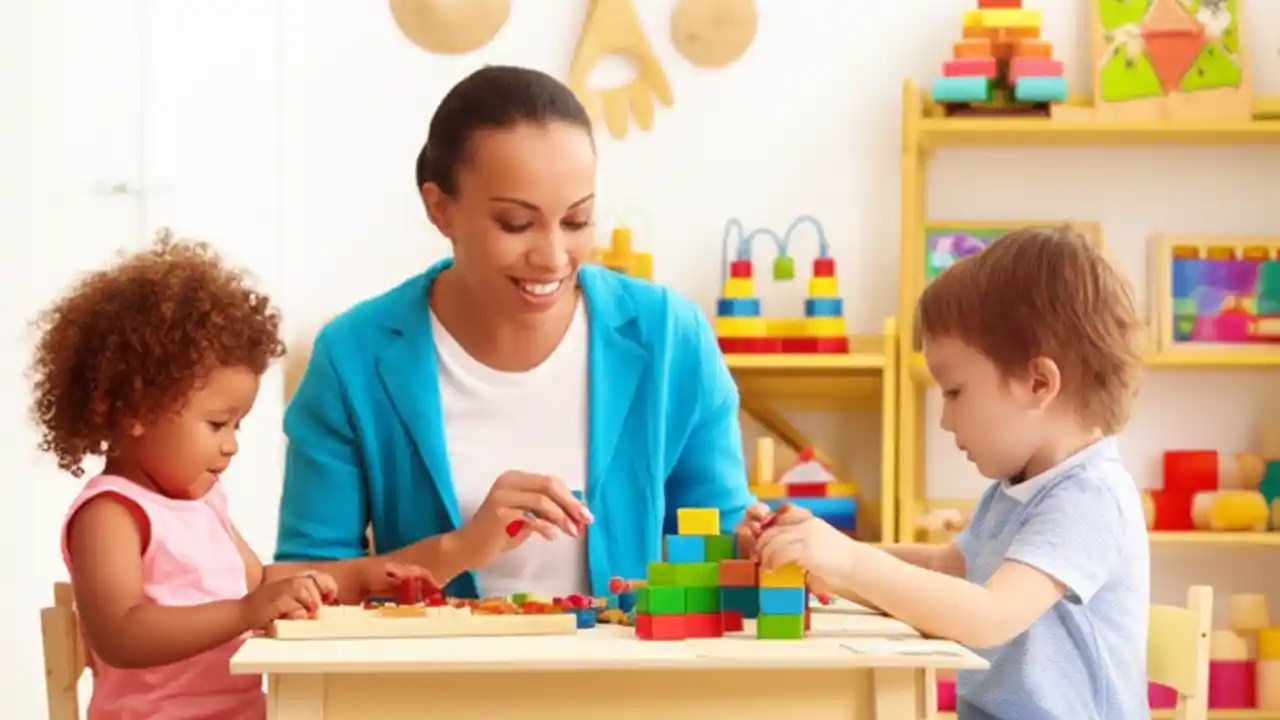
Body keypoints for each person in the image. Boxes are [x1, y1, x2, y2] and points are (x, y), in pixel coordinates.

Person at [274, 64, 767, 599]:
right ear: (440, 208)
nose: (553, 257)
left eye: (577, 221)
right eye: (515, 223)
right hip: (432, 683)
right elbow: (298, 587)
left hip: (629, 680)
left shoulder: (672, 340)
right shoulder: (353, 359)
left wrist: (762, 549)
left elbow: (719, 548)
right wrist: (457, 549)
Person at [29, 232, 431, 719]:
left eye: (237, 425)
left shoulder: (203, 500)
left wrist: (361, 577)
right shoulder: (112, 513)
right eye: (217, 424)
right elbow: (121, 635)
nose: (231, 444)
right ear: (135, 409)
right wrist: (245, 613)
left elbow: (262, 582)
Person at [756, 226, 1149, 720]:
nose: (944, 418)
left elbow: (989, 615)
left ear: (1038, 382)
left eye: (955, 391)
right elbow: (949, 568)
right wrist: (820, 555)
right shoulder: (1017, 489)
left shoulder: (1088, 497)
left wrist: (851, 562)